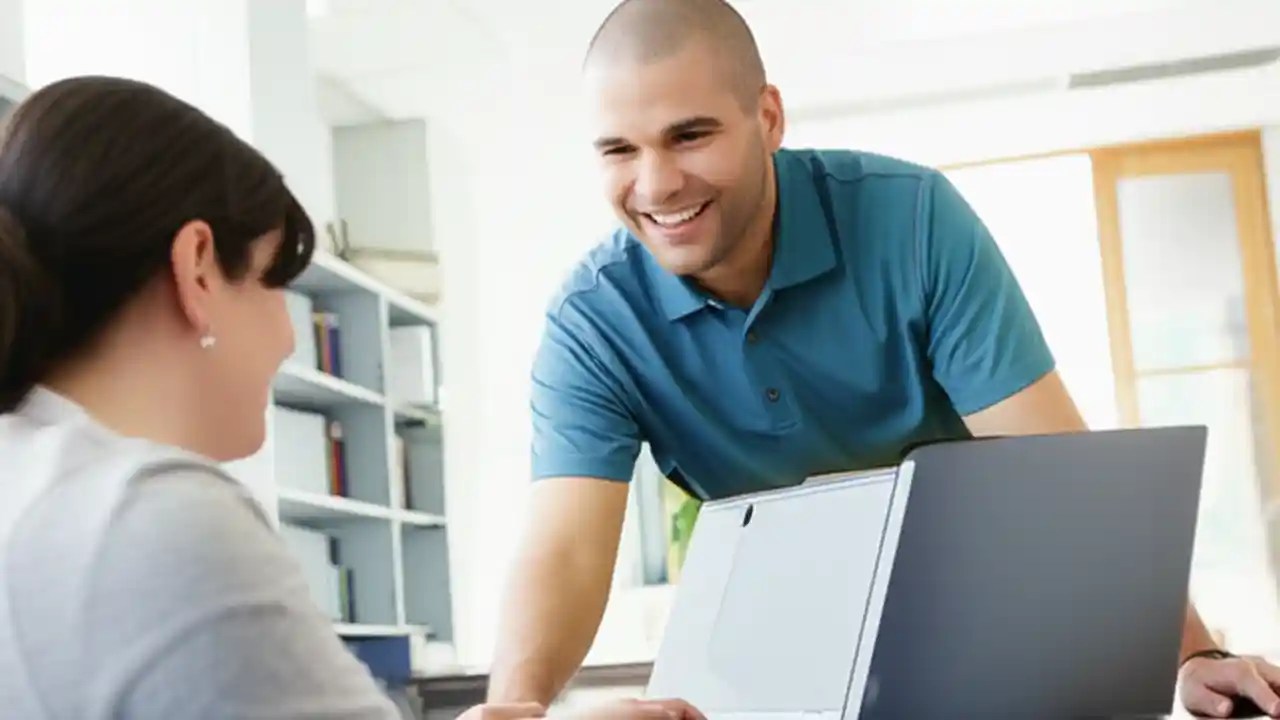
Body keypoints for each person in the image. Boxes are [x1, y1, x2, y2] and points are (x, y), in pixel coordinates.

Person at [486, 0, 1280, 717]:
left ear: (768, 117)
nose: (656, 184)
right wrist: (513, 709)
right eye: (618, 149)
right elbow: (565, 545)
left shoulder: (913, 220)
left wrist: (1193, 653)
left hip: (976, 618)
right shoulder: (591, 320)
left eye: (690, 134)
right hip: (787, 645)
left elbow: (1058, 468)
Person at [0, 75, 699, 720]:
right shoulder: (149, 516)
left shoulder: (31, 480)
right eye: (278, 286)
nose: (284, 339)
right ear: (199, 270)